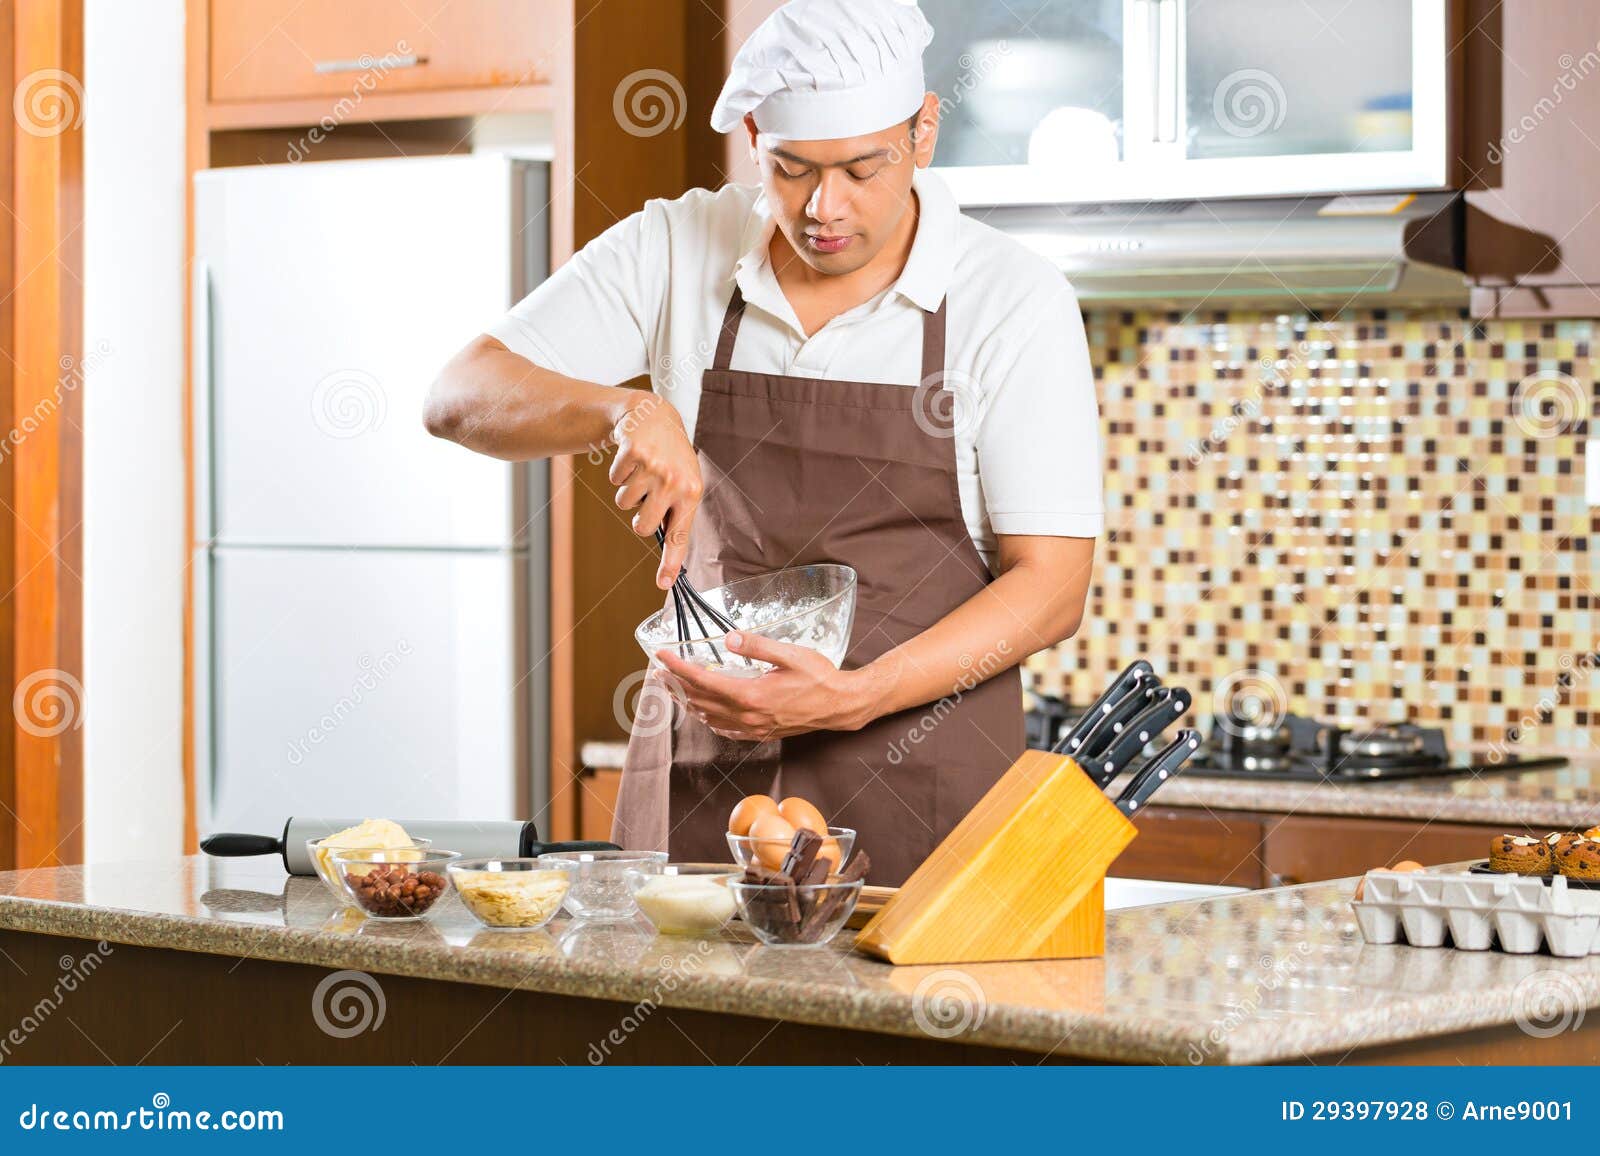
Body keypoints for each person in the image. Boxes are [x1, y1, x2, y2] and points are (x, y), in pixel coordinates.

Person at [424, 0, 1103, 885]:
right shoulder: (678, 246)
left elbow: (1051, 587)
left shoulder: (1010, 299)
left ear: (923, 132)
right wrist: (620, 412)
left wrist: (856, 696)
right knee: (676, 1019)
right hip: (705, 778)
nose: (826, 208)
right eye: (791, 170)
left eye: (863, 169)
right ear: (754, 137)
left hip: (921, 788)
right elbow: (458, 394)